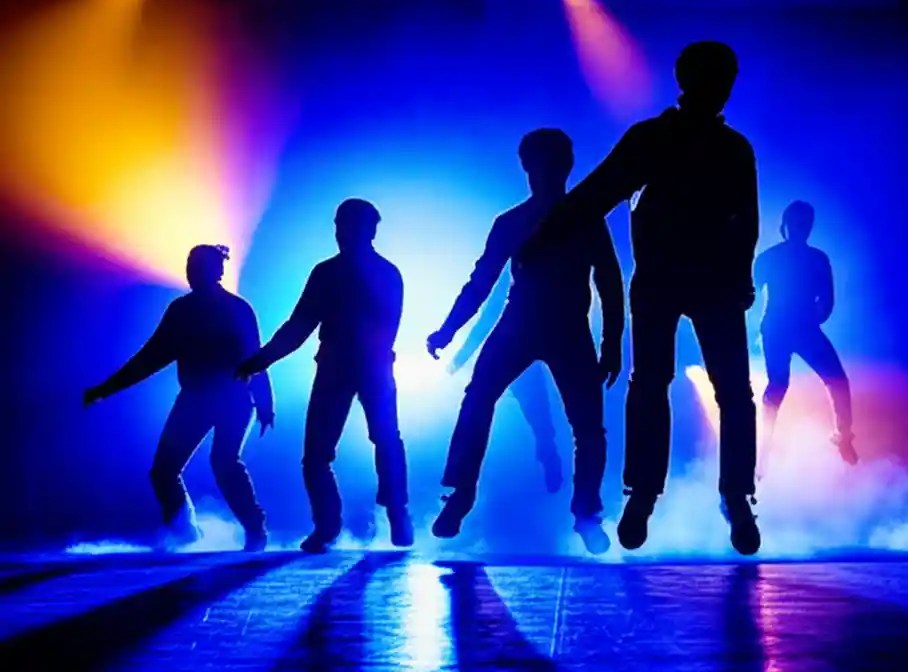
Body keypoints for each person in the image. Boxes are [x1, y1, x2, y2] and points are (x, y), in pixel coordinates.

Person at [535, 41, 761, 555]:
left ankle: (654, 497)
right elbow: (745, 221)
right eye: (718, 76)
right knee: (721, 393)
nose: (720, 86)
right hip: (696, 280)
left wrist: (546, 234)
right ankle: (725, 498)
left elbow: (598, 194)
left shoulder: (662, 139)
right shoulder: (722, 147)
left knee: (658, 386)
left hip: (673, 278)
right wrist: (550, 231)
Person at [426, 128, 623, 555]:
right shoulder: (549, 220)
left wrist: (613, 343)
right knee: (581, 426)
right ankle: (580, 513)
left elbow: (610, 281)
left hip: (541, 324)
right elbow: (481, 283)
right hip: (543, 324)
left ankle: (467, 496)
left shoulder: (544, 220)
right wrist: (448, 328)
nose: (542, 171)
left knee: (488, 402)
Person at [237, 199, 411, 553]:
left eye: (345, 225)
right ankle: (382, 515)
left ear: (368, 230)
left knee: (331, 452)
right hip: (363, 367)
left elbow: (300, 326)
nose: (340, 232)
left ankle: (338, 524)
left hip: (347, 367)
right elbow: (300, 325)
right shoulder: (379, 273)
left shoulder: (335, 273)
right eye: (339, 225)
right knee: (374, 442)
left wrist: (263, 359)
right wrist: (263, 359)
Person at [84, 245, 273, 551]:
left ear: (218, 271)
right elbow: (150, 358)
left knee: (222, 462)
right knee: (165, 470)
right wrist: (105, 389)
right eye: (189, 264)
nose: (191, 271)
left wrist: (265, 402)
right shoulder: (181, 311)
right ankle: (186, 534)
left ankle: (254, 530)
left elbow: (255, 357)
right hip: (196, 398)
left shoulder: (236, 309)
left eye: (197, 265)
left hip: (233, 399)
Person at [755, 200, 857, 472]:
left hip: (796, 328)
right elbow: (748, 294)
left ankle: (843, 437)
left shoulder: (810, 259)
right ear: (784, 227)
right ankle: (763, 449)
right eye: (796, 224)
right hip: (781, 328)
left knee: (831, 381)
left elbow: (827, 301)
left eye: (804, 224)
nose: (800, 229)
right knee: (780, 385)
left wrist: (812, 319)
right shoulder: (774, 258)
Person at [447, 269, 564, 494]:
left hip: (514, 349)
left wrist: (460, 358)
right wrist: (460, 358)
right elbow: (489, 316)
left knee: (534, 416)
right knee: (537, 418)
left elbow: (488, 317)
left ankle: (464, 487)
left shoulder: (517, 268)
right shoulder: (515, 269)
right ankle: (550, 463)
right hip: (512, 349)